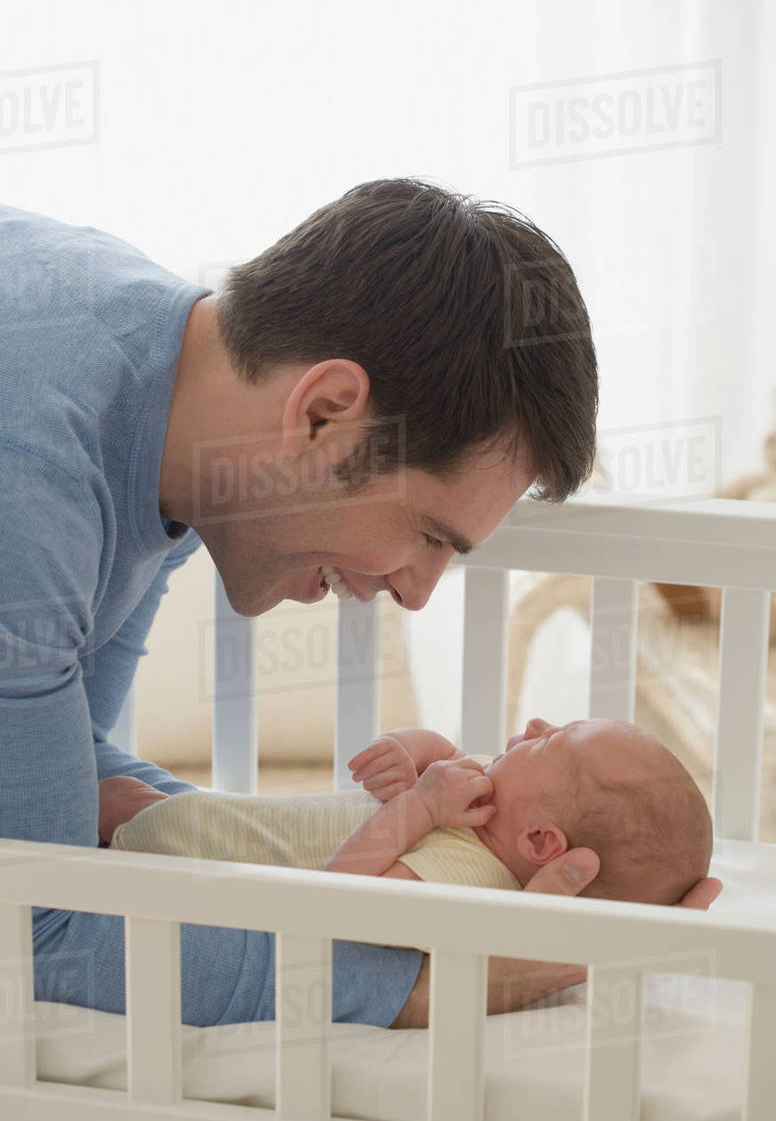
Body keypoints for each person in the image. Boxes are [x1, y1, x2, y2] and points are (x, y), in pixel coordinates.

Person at [0, 179, 719, 1033]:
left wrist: (244, 840)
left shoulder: (169, 406)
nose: (414, 593)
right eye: (427, 535)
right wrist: (408, 986)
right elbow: (28, 919)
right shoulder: (32, 473)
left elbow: (60, 775)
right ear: (327, 414)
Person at [102, 717, 712, 909]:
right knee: (128, 795)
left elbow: (342, 895)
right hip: (217, 818)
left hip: (195, 855)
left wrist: (420, 805)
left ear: (542, 842)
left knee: (105, 814)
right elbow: (441, 753)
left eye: (548, 741)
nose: (532, 725)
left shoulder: (465, 876)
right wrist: (409, 753)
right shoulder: (486, 800)